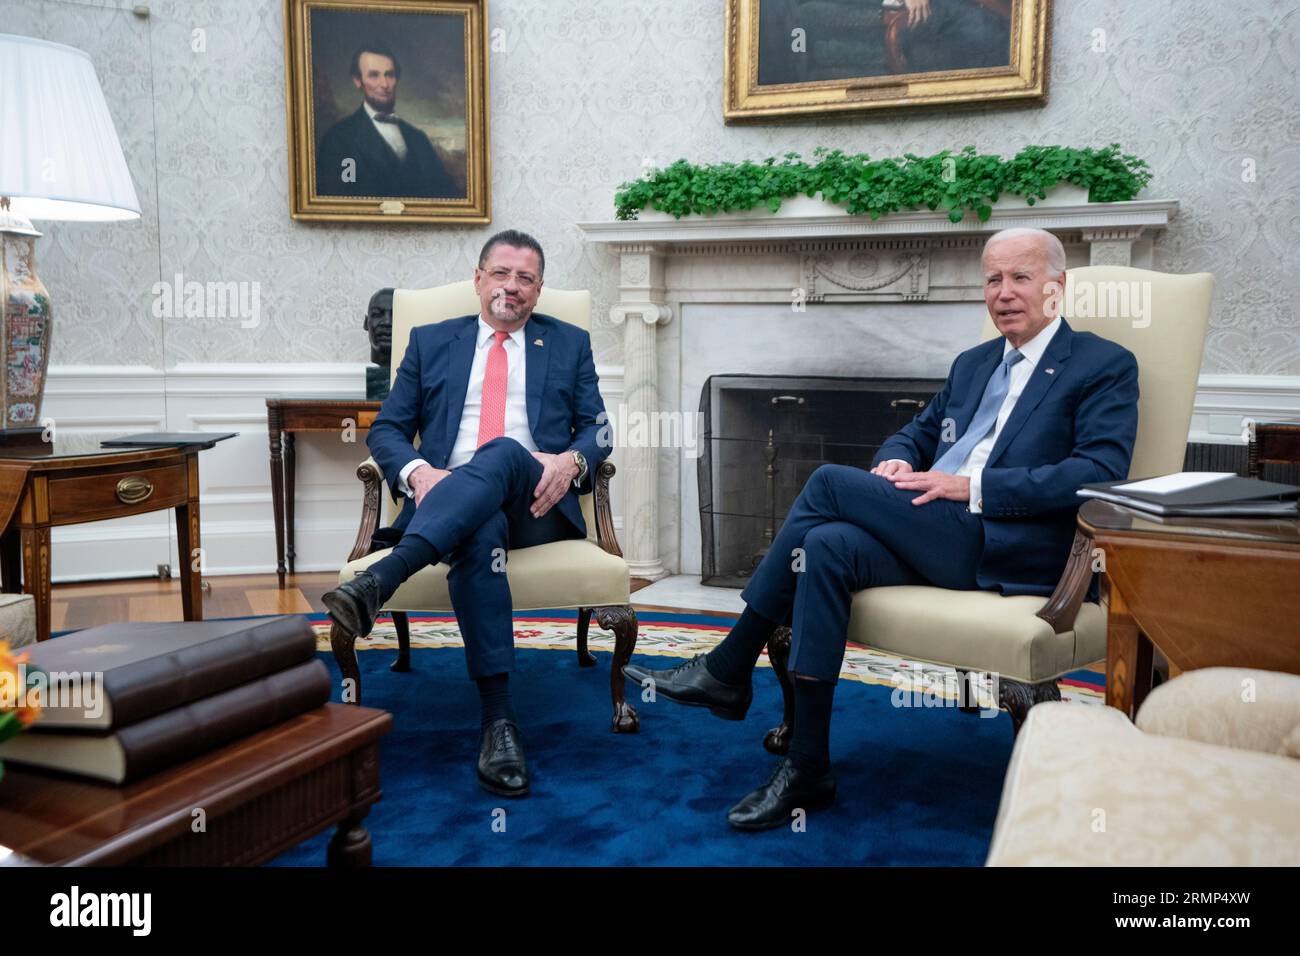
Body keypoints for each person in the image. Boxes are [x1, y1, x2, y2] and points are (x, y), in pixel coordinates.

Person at [625, 227, 1139, 830]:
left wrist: (972, 487)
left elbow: (1097, 472)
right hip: (934, 527)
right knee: (824, 546)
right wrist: (894, 459)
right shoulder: (974, 365)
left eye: (1019, 278)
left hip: (1005, 542)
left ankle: (731, 664)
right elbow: (919, 432)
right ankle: (808, 764)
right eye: (992, 279)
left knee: (826, 484)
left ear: (1057, 288)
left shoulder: (1102, 365)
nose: (1002, 293)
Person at [323, 230, 608, 798]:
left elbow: (598, 427)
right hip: (448, 502)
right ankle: (499, 723)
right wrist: (418, 474)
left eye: (525, 278)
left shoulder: (569, 342)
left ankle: (383, 577)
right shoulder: (431, 342)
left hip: (535, 500)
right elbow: (387, 429)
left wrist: (573, 460)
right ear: (479, 280)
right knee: (481, 529)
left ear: (539, 289)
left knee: (502, 449)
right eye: (501, 273)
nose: (512, 286)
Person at [316, 43, 460, 199]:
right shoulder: (338, 139)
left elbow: (447, 195)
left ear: (396, 79)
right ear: (358, 81)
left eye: (389, 75)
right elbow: (336, 201)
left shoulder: (418, 139)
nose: (384, 84)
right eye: (374, 75)